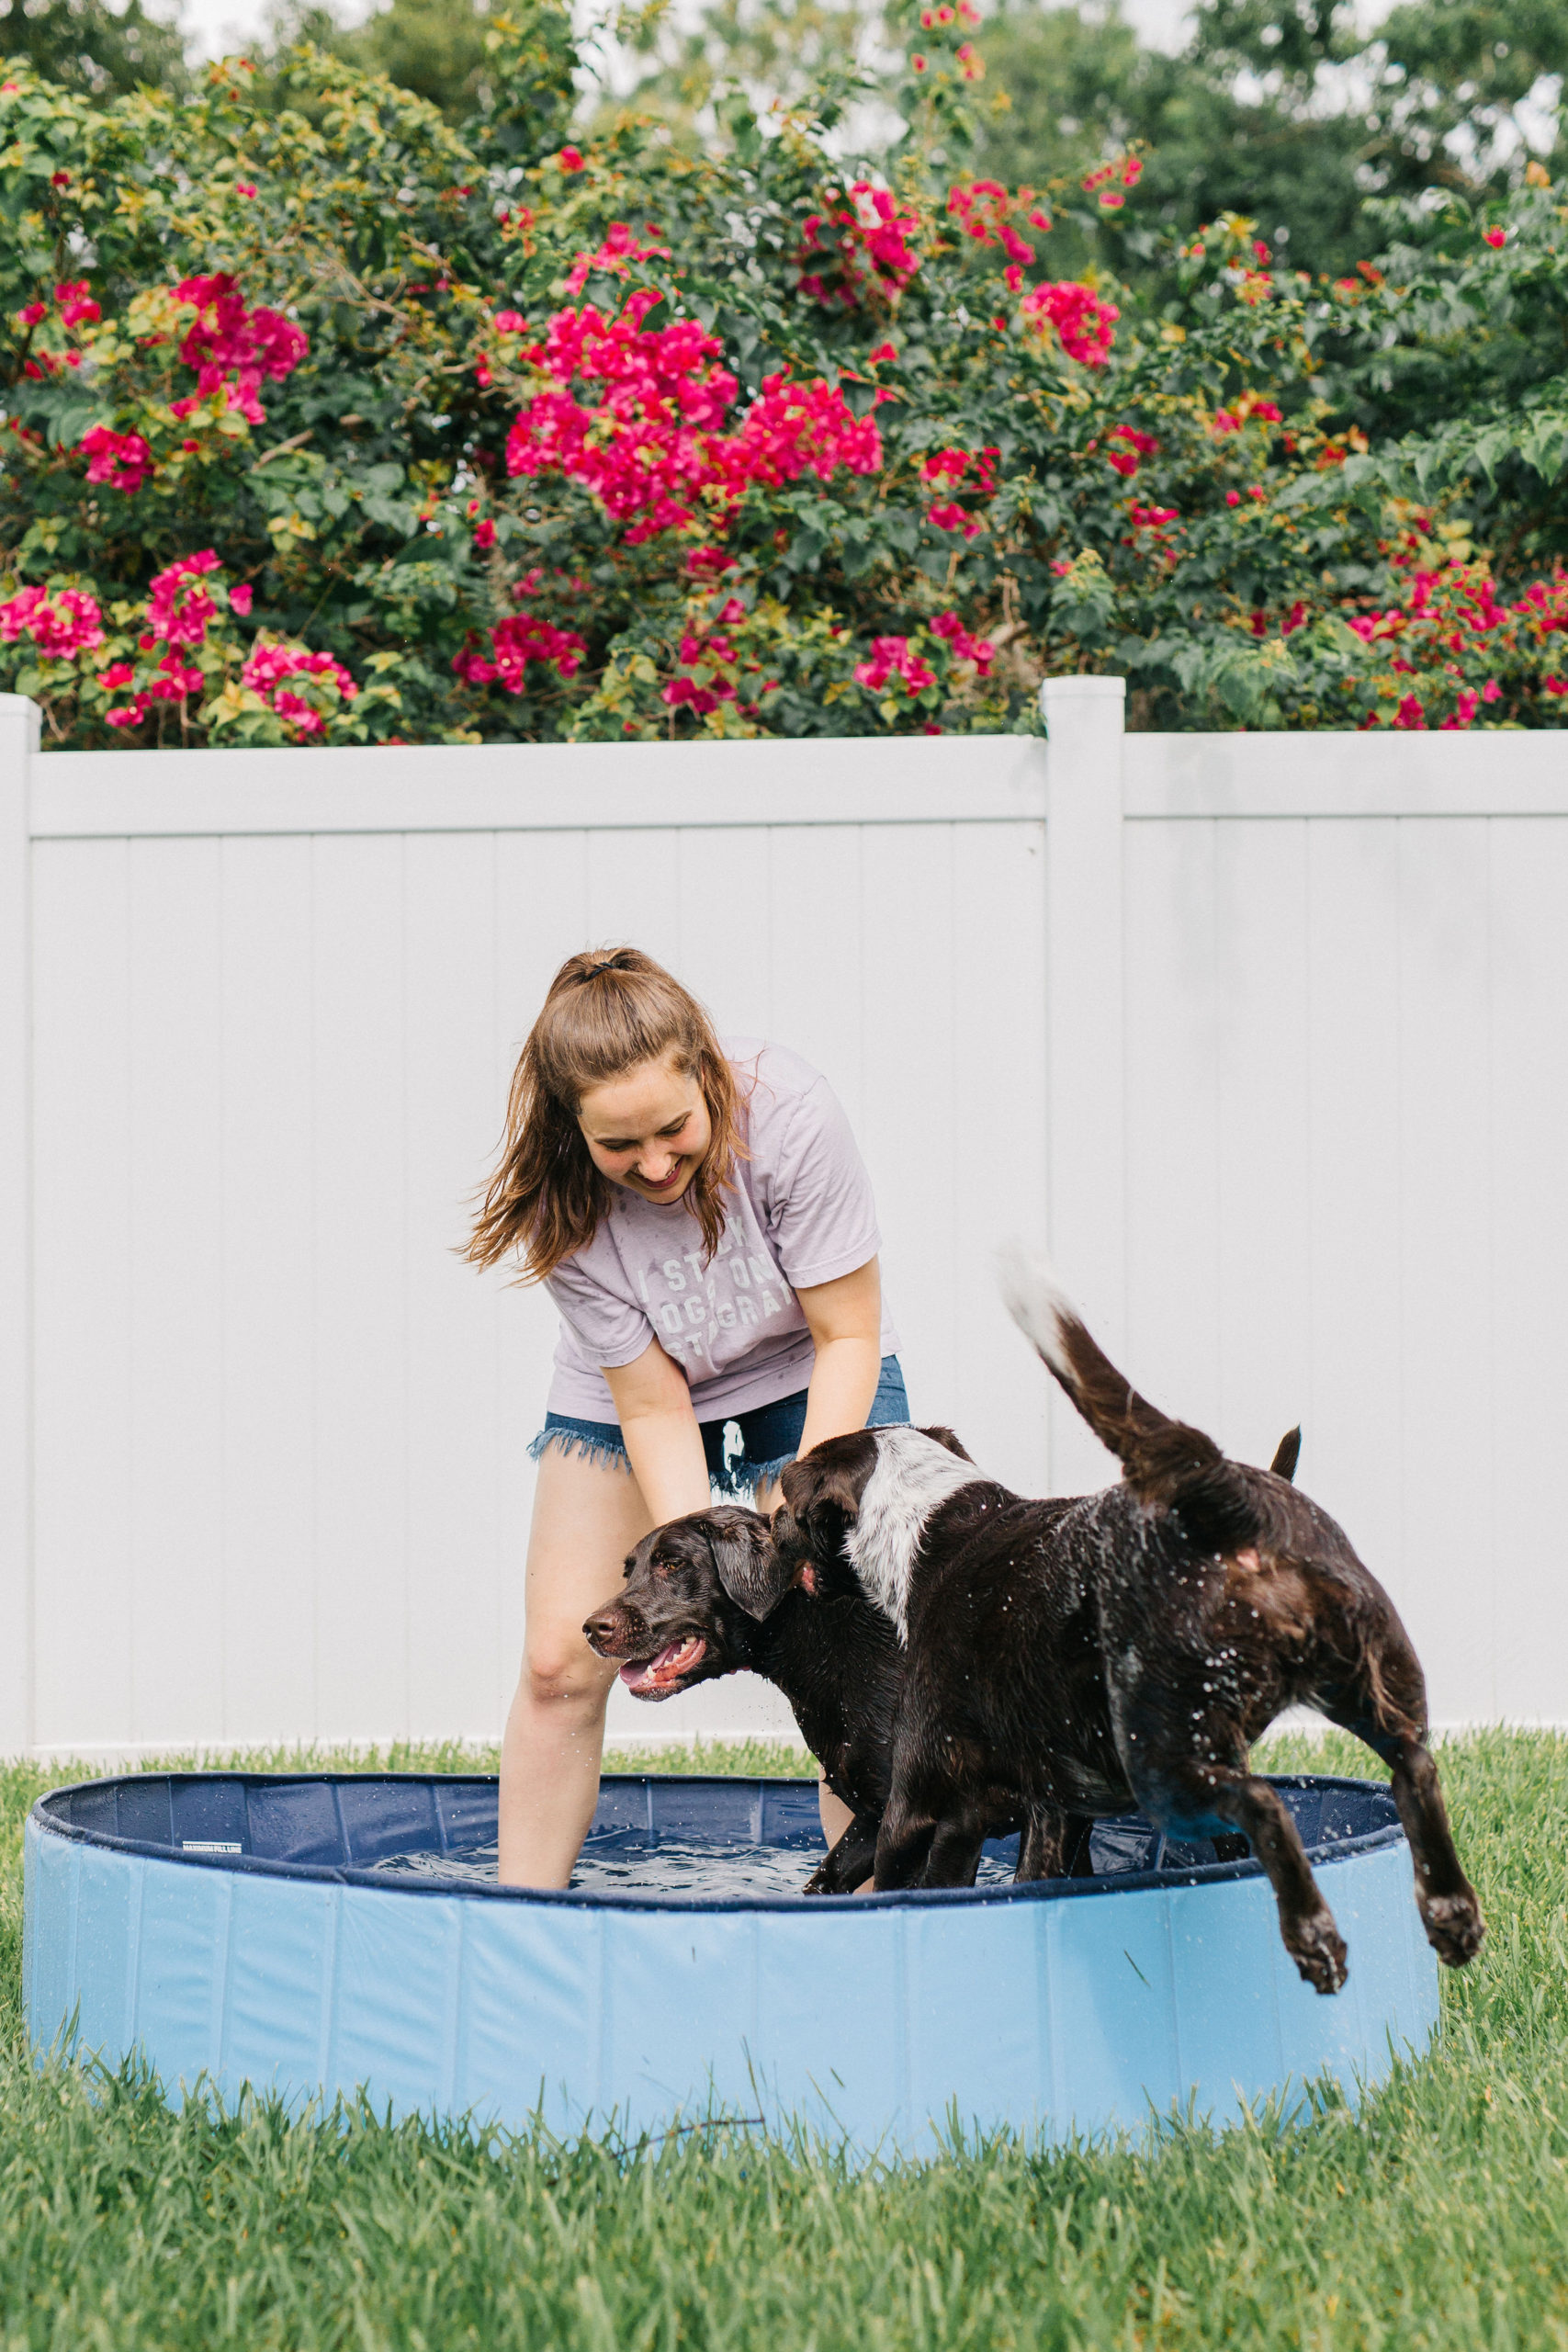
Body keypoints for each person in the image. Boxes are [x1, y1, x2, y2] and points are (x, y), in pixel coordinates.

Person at [467, 947, 909, 1887]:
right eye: (619, 1146)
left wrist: (796, 1533)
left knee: (855, 1671)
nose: (656, 1164)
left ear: (706, 1070)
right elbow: (652, 1399)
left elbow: (846, 1333)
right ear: (572, 1126)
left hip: (811, 1361)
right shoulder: (557, 1203)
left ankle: (870, 1930)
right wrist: (692, 1577)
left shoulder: (790, 1116)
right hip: (637, 1388)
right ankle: (518, 1927)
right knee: (555, 1664)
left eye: (674, 1129)